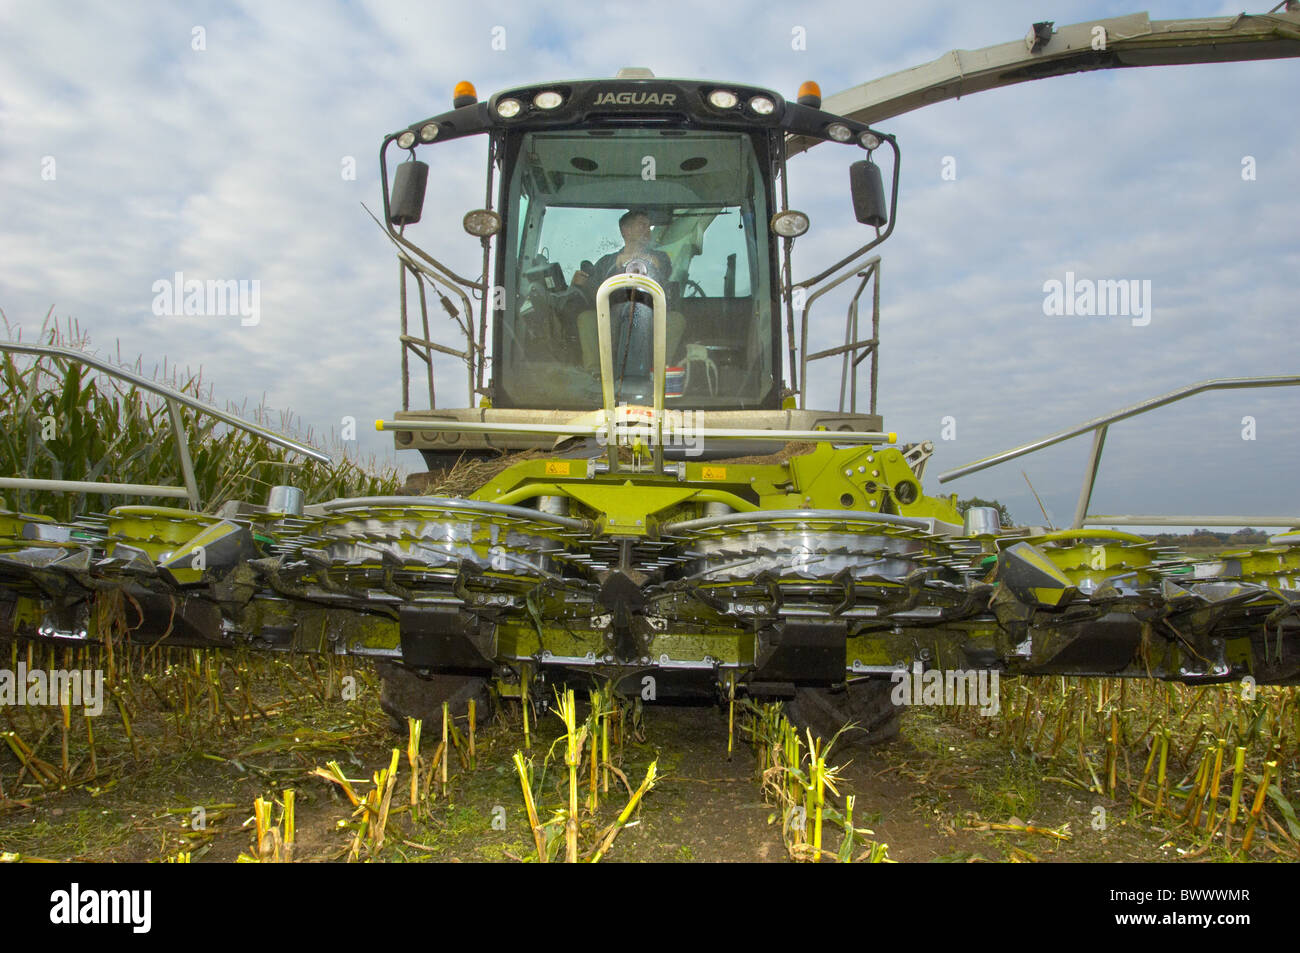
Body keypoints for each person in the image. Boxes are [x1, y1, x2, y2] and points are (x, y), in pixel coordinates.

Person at [573, 209, 684, 373]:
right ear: (626, 231)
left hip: (652, 317)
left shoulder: (661, 257)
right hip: (611, 318)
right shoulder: (606, 262)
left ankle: (658, 372)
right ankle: (596, 373)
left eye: (649, 227)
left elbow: (662, 269)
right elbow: (594, 295)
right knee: (586, 318)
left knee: (676, 320)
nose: (648, 231)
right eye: (642, 226)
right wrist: (580, 283)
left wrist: (637, 259)